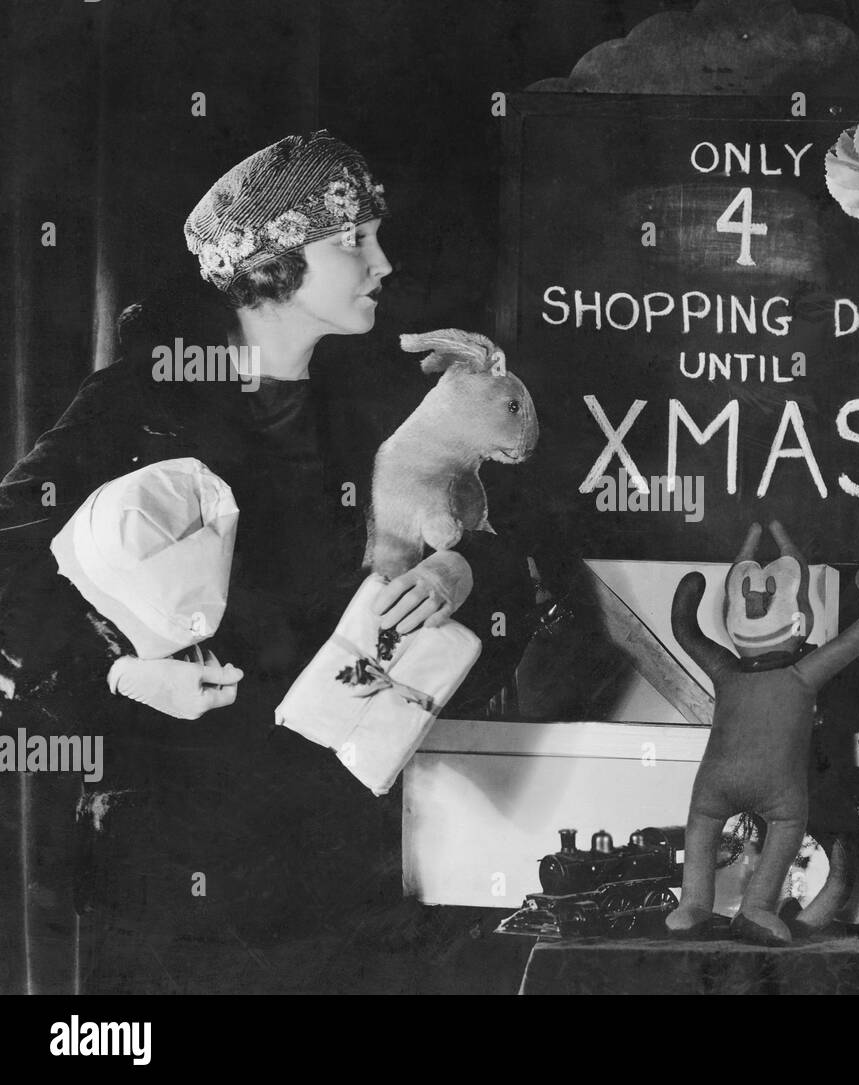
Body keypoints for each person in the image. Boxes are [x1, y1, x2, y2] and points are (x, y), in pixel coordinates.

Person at [0, 131, 534, 993]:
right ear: (271, 264)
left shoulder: (375, 408)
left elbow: (507, 561)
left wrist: (459, 576)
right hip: (170, 870)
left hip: (348, 864)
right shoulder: (136, 402)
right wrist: (121, 674)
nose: (382, 261)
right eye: (351, 241)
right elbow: (7, 563)